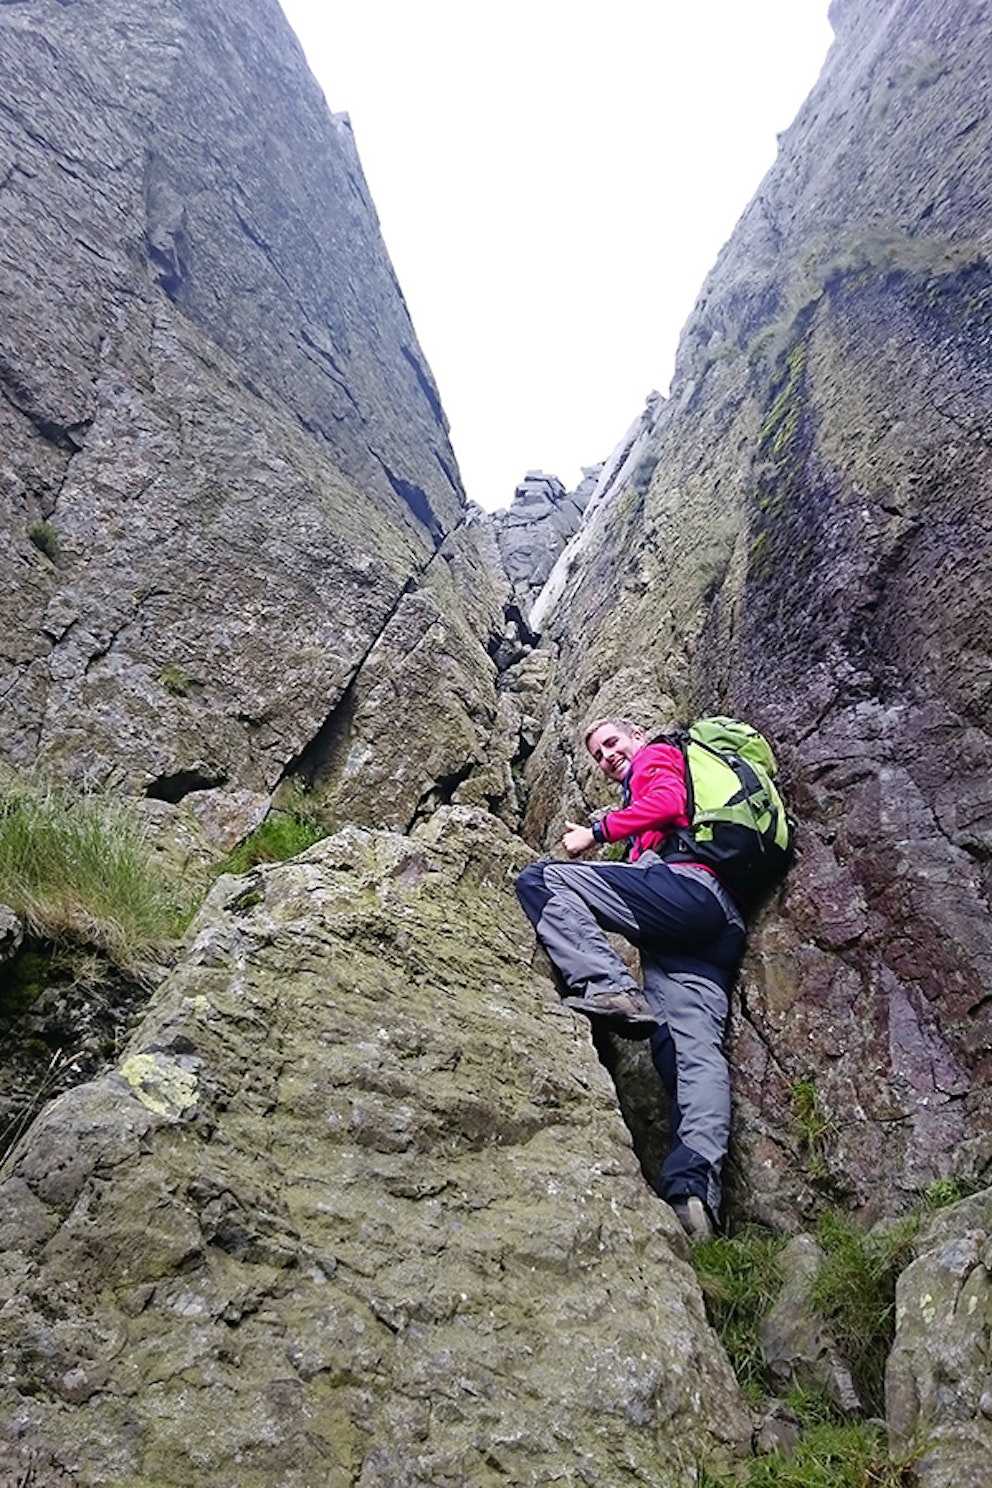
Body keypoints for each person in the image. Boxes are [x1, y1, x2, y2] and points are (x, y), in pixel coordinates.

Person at [515, 716, 747, 1242]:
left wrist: (594, 833)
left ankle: (609, 987)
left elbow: (666, 802)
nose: (607, 756)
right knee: (690, 1053)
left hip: (687, 891)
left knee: (542, 878)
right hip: (715, 928)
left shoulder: (656, 755)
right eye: (597, 754)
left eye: (612, 743)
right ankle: (694, 1198)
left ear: (637, 736)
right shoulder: (651, 782)